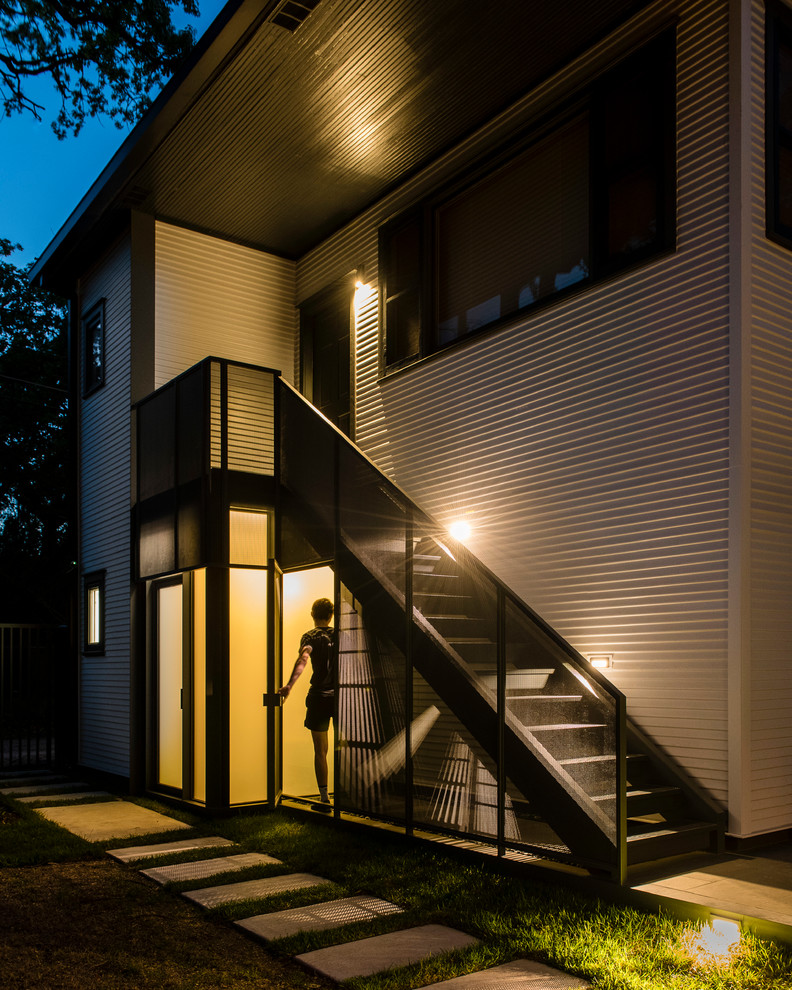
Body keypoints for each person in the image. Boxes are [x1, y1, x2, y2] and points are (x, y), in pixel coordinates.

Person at [278, 597, 335, 809]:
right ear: (331, 615)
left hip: (319, 697)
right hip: (339, 698)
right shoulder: (341, 635)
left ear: (312, 614)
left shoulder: (310, 636)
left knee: (320, 750)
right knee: (343, 746)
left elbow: (303, 659)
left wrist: (289, 685)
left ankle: (324, 798)